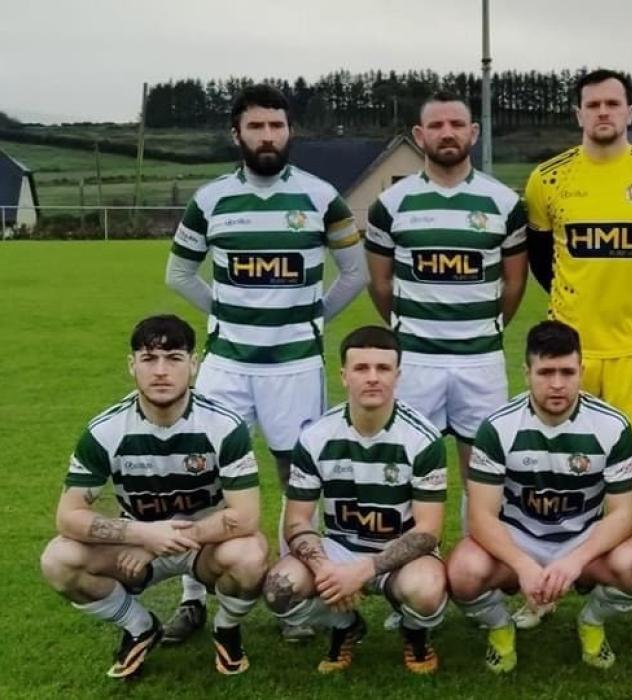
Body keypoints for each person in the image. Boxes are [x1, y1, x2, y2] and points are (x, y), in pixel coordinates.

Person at [165, 83, 366, 642]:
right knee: (202, 474)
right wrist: (225, 315)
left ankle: (289, 594)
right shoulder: (209, 200)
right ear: (238, 134)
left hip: (295, 366)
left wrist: (312, 318)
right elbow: (178, 275)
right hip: (227, 364)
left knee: (296, 478)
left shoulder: (321, 196)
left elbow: (354, 273)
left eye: (277, 126)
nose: (268, 136)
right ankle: (191, 595)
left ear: (289, 130)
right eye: (256, 127)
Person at [40, 315, 266, 679]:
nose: (161, 371)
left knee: (250, 555)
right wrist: (142, 535)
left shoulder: (225, 426)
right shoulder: (105, 430)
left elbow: (246, 516)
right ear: (132, 366)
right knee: (58, 560)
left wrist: (158, 542)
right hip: (136, 543)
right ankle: (140, 627)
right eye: (149, 358)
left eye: (174, 358)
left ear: (194, 364)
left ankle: (226, 629)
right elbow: (69, 516)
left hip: (204, 544)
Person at [524, 67, 632, 534]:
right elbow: (542, 258)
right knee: (561, 462)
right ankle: (560, 554)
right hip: (572, 350)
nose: (603, 112)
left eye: (612, 103)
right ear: (578, 112)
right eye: (593, 104)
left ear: (629, 112)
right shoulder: (547, 179)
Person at [447, 321, 632, 673]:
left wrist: (574, 561)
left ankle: (591, 621)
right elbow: (481, 516)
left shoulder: (612, 425)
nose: (557, 384)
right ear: (526, 372)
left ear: (581, 370)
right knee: (463, 572)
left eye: (567, 372)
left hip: (582, 539)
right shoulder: (497, 427)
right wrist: (523, 565)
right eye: (545, 372)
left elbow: (623, 515)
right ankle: (500, 626)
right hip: (519, 538)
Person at [365, 91, 526, 520]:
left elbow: (514, 284)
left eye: (456, 124)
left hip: (481, 361)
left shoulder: (504, 203)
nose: (447, 133)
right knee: (412, 465)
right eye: (436, 125)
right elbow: (380, 283)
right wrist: (410, 329)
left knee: (485, 472)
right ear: (419, 135)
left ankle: (478, 575)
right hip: (416, 359)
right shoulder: (391, 205)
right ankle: (419, 569)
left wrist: (485, 329)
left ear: (473, 132)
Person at [262, 326, 447, 673]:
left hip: (403, 551)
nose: (373, 378)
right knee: (279, 590)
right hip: (340, 549)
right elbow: (297, 520)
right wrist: (328, 571)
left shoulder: (423, 439)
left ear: (398, 375)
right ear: (344, 376)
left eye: (383, 368)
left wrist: (362, 572)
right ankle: (346, 626)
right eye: (362, 368)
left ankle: (414, 632)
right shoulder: (316, 436)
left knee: (427, 590)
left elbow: (429, 531)